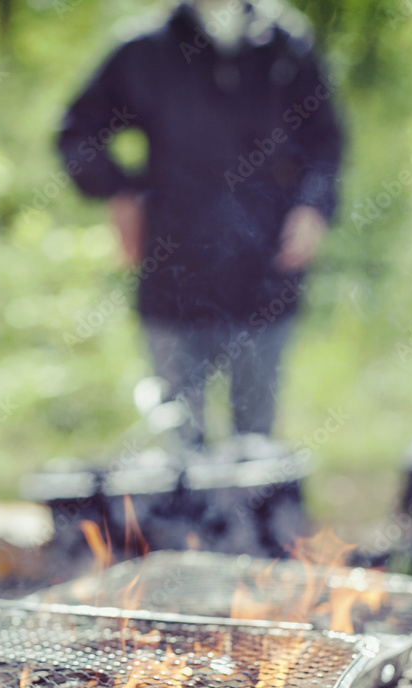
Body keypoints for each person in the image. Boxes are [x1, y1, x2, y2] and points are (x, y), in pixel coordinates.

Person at [58, 0, 343, 452]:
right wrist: (119, 191)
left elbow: (326, 143)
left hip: (265, 273)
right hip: (173, 270)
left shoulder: (285, 44)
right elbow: (77, 134)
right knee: (179, 446)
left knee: (256, 447)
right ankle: (184, 520)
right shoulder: (145, 50)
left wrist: (313, 207)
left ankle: (253, 516)